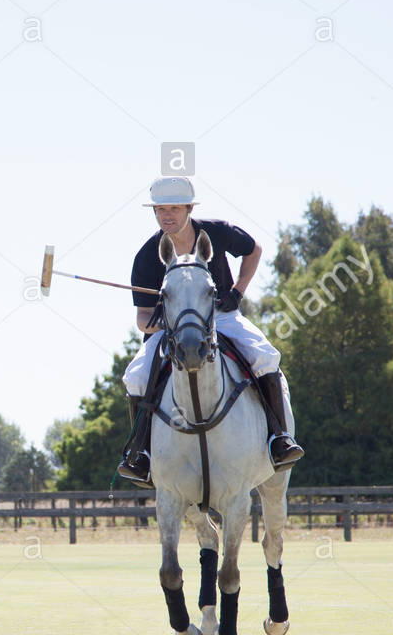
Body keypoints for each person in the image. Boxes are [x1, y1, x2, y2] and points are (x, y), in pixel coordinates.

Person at [117, 176, 303, 487]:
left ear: (189, 208)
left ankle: (279, 439)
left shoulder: (215, 232)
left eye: (174, 208)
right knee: (135, 376)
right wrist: (175, 322)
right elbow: (142, 318)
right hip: (173, 330)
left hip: (223, 317)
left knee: (265, 357)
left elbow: (253, 250)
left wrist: (238, 291)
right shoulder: (147, 256)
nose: (167, 216)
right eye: (160, 210)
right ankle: (142, 455)